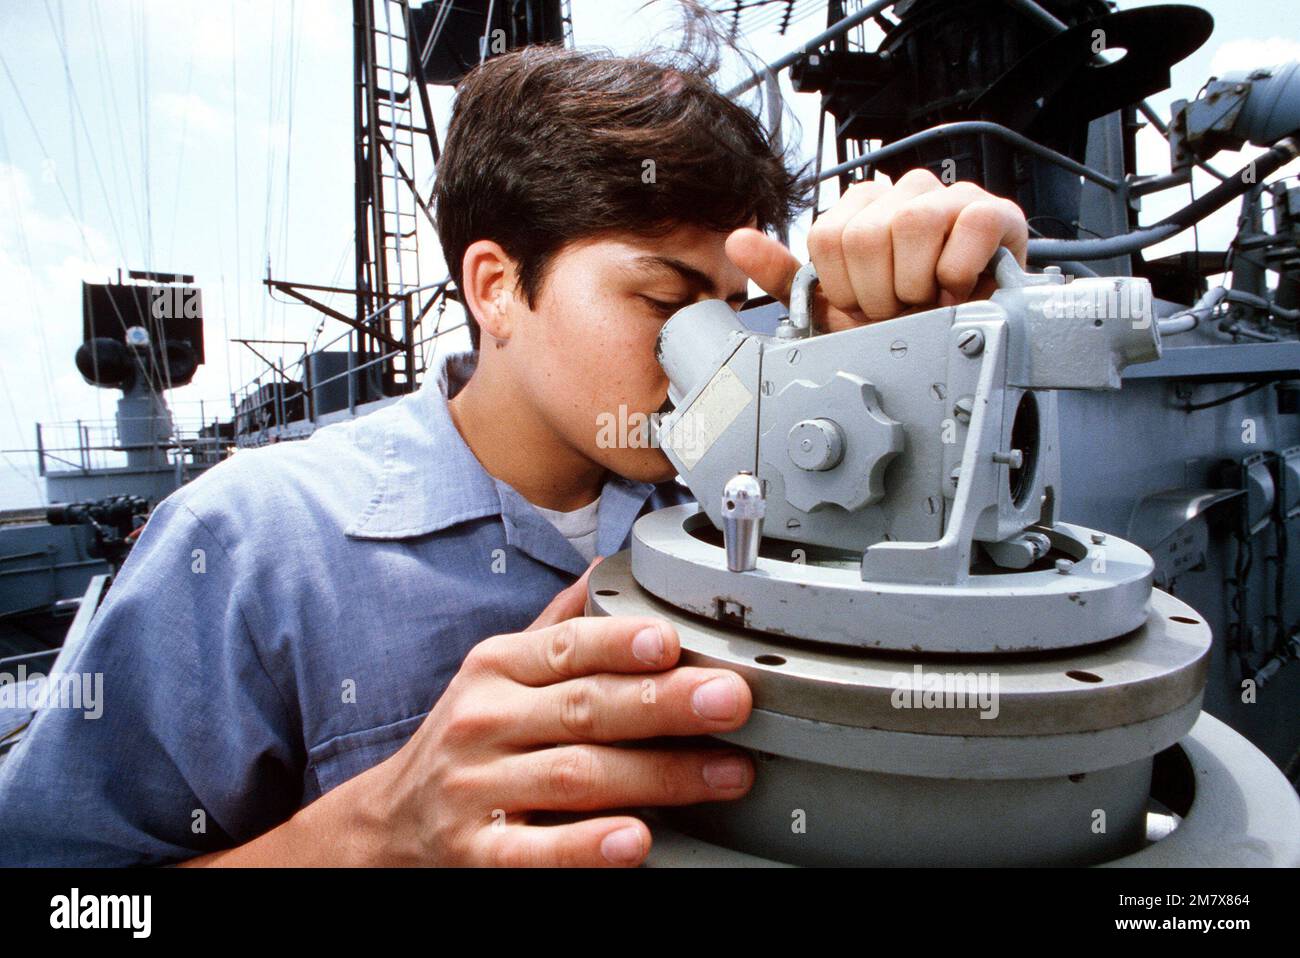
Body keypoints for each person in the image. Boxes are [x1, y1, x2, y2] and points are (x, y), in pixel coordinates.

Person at [0, 40, 1026, 867]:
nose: (723, 363)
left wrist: (915, 347)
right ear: (496, 287)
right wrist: (364, 837)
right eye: (667, 304)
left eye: (740, 311)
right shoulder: (254, 544)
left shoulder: (743, 497)